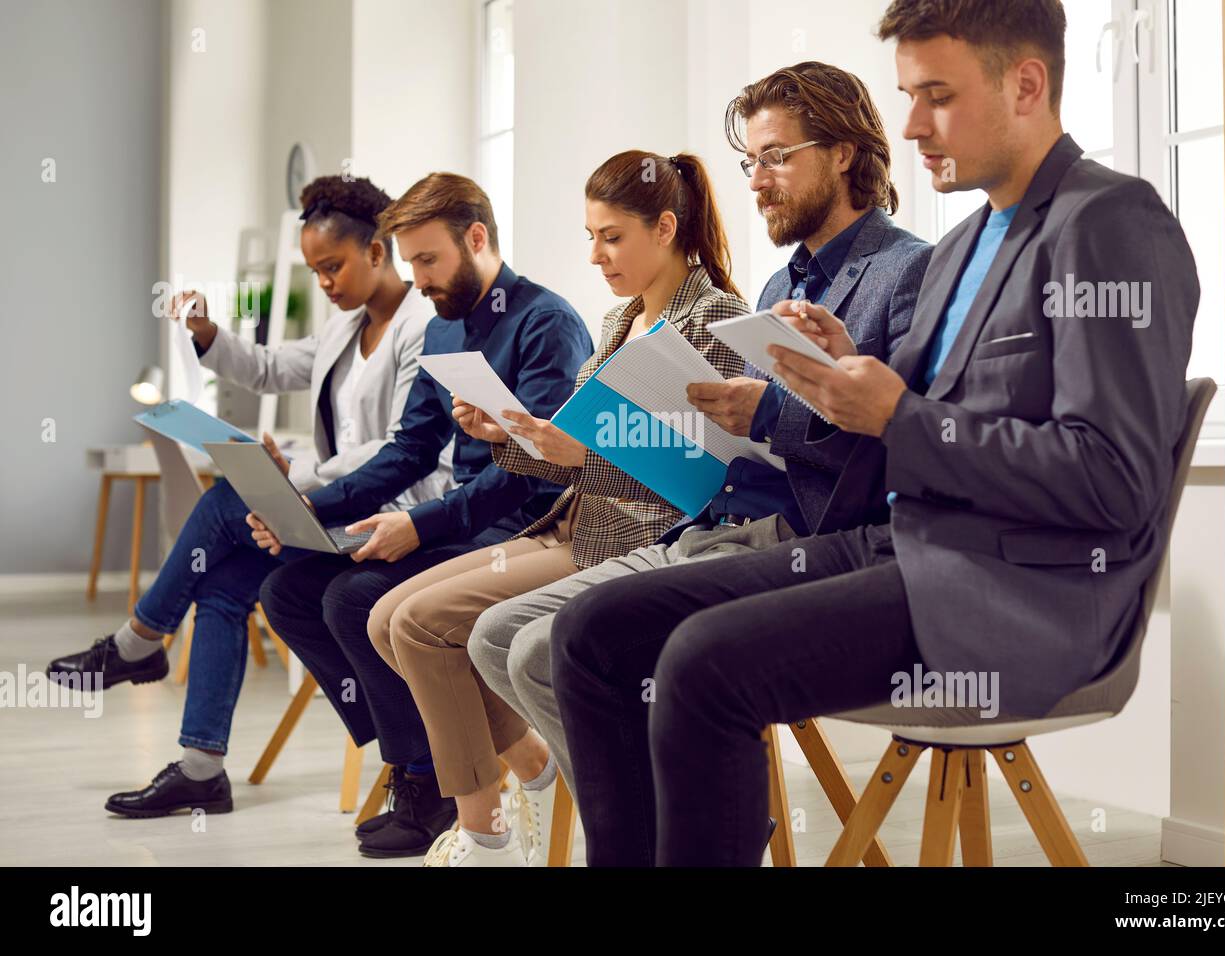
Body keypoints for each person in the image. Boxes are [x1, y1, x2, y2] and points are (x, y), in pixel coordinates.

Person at [549, 0, 1201, 866]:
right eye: (908, 94)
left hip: (1018, 591)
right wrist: (844, 375)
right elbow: (924, 421)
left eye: (936, 95)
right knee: (592, 629)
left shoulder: (1109, 223)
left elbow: (1112, 480)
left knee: (701, 663)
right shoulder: (967, 240)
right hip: (897, 546)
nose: (911, 126)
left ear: (1027, 84)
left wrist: (898, 413)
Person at [465, 60, 931, 861]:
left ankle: (686, 830)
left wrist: (764, 412)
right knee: (504, 636)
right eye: (751, 162)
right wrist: (560, 443)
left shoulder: (906, 270)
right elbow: (743, 443)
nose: (757, 180)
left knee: (551, 646)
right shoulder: (784, 281)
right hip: (717, 512)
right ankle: (678, 829)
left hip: (807, 537)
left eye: (777, 156)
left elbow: (889, 449)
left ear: (846, 154)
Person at [365, 150, 748, 868]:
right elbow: (571, 450)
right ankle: (541, 778)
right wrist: (507, 436)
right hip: (573, 523)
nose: (597, 255)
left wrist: (576, 456)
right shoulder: (617, 321)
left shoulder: (716, 318)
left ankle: (492, 831)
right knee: (386, 619)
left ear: (665, 228)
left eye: (612, 236)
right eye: (590, 236)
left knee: (420, 626)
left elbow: (702, 479)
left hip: (639, 540)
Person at [45, 175, 455, 818]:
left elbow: (398, 448)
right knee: (225, 583)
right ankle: (200, 767)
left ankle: (139, 643)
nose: (324, 282)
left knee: (221, 508)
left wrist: (296, 470)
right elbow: (266, 367)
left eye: (333, 266)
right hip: (333, 504)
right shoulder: (344, 328)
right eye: (315, 269)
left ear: (378, 250)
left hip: (388, 511)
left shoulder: (422, 330)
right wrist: (207, 333)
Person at [254, 172, 593, 859]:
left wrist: (422, 525)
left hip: (522, 527)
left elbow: (531, 474)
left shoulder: (546, 324)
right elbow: (412, 449)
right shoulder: (442, 331)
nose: (419, 278)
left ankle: (432, 782)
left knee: (355, 598)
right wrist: (306, 507)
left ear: (477, 238)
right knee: (287, 590)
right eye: (409, 263)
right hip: (463, 521)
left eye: (428, 260)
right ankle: (426, 754)